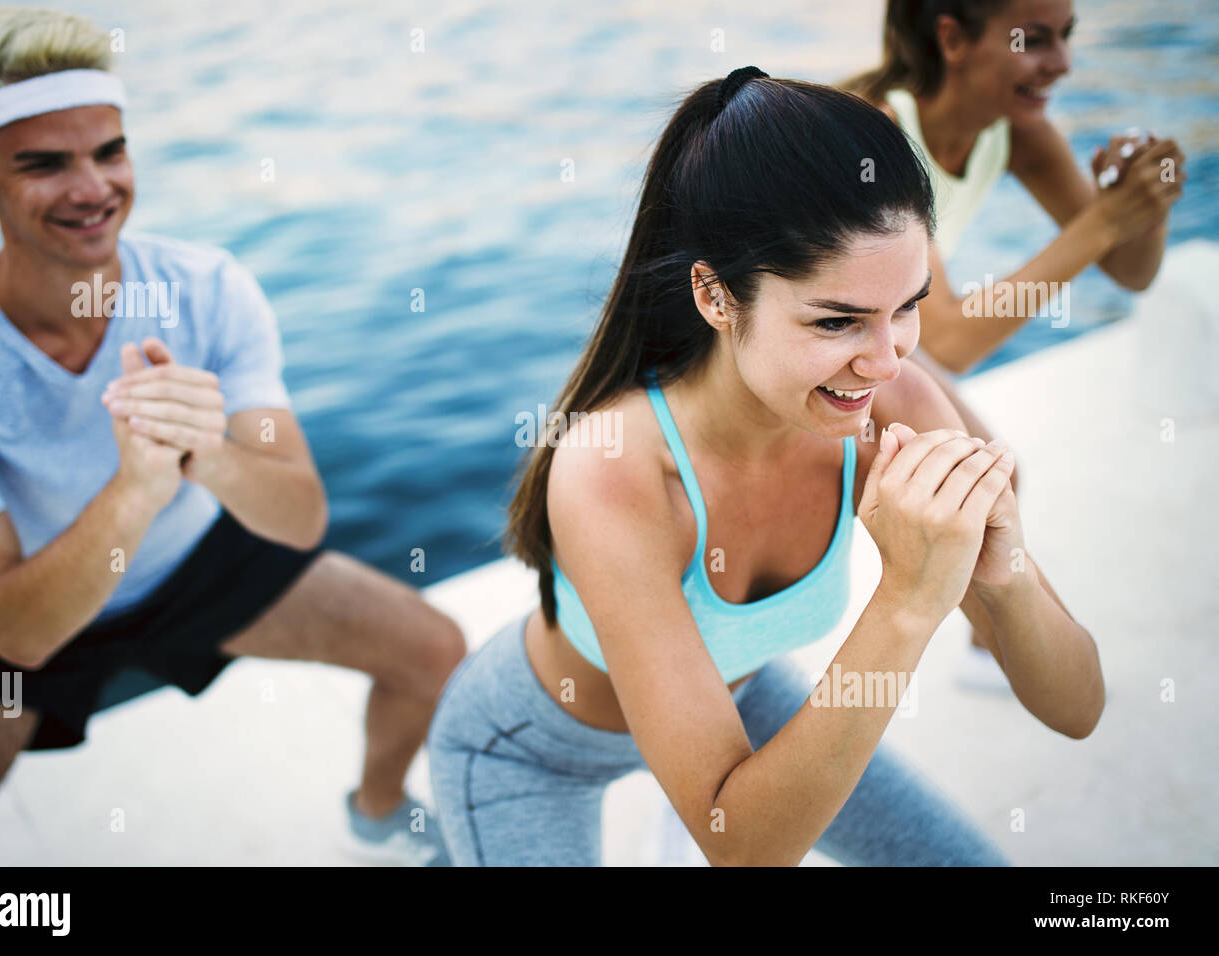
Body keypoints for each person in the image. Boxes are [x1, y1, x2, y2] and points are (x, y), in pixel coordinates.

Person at [427, 67, 1104, 866]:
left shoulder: (896, 408)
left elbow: (1077, 707)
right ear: (715, 297)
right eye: (837, 320)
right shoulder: (611, 470)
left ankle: (693, 770)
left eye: (909, 306)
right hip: (531, 747)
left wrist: (1005, 573)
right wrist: (911, 599)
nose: (887, 362)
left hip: (740, 698)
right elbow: (741, 849)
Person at [0, 7, 464, 866]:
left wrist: (202, 452)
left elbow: (296, 520)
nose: (94, 187)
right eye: (44, 164)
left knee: (434, 653)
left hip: (191, 565)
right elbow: (17, 634)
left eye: (109, 151)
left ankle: (376, 814)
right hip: (21, 609)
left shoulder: (207, 287)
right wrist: (137, 483)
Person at [842, 0, 1185, 686]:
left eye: (1068, 37)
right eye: (1035, 40)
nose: (1060, 62)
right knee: (980, 479)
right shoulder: (872, 134)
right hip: (820, 350)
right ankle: (994, 654)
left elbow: (1131, 273)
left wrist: (1143, 210)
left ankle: (987, 652)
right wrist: (1100, 224)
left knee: (987, 479)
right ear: (952, 39)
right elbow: (949, 338)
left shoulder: (1016, 131)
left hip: (878, 342)